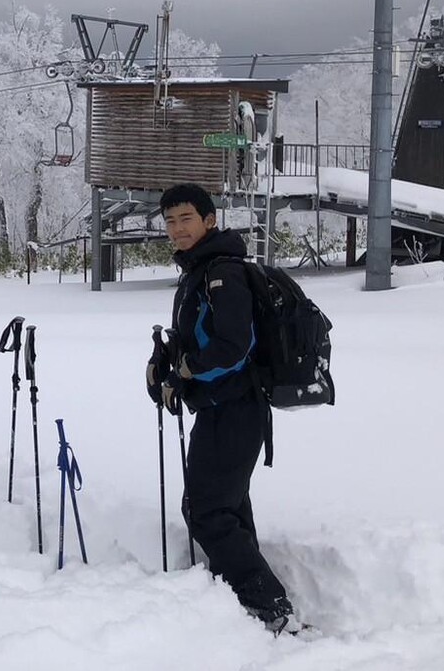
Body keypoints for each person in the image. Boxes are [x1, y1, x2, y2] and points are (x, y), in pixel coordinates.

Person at [146, 182, 303, 635]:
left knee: (207, 512)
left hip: (235, 408)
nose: (177, 228)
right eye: (170, 221)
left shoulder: (223, 273)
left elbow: (233, 348)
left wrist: (185, 373)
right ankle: (243, 603)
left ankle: (270, 606)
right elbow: (198, 336)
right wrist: (165, 363)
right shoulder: (199, 270)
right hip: (220, 408)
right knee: (225, 507)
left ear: (210, 220)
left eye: (186, 219)